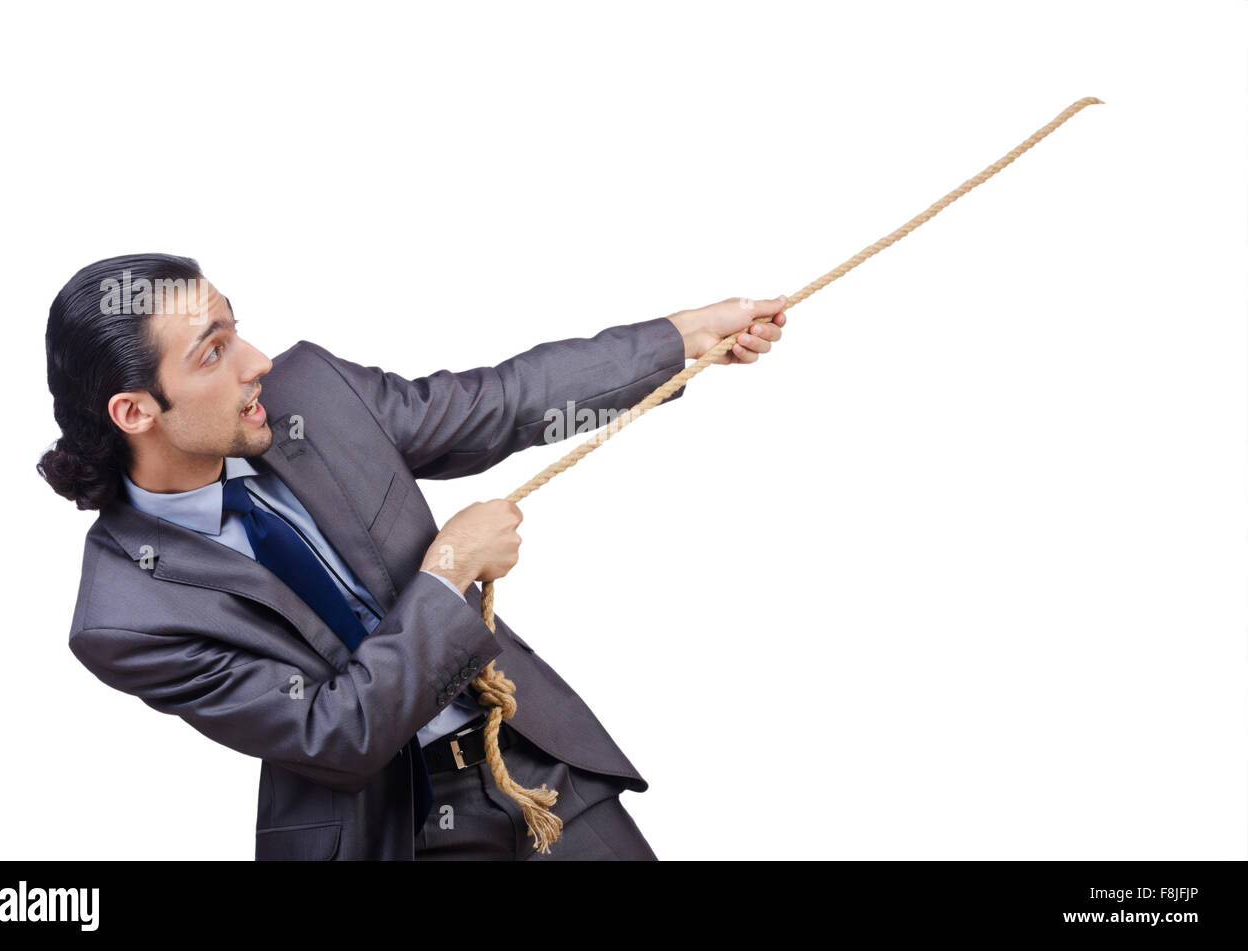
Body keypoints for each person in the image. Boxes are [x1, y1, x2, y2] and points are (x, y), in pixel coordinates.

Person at [40, 252, 787, 860]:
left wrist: (681, 338)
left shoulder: (312, 394)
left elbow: (500, 401)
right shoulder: (124, 614)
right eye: (213, 353)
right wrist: (447, 572)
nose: (256, 361)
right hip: (394, 832)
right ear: (136, 412)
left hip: (531, 762)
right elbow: (335, 731)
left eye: (236, 329)